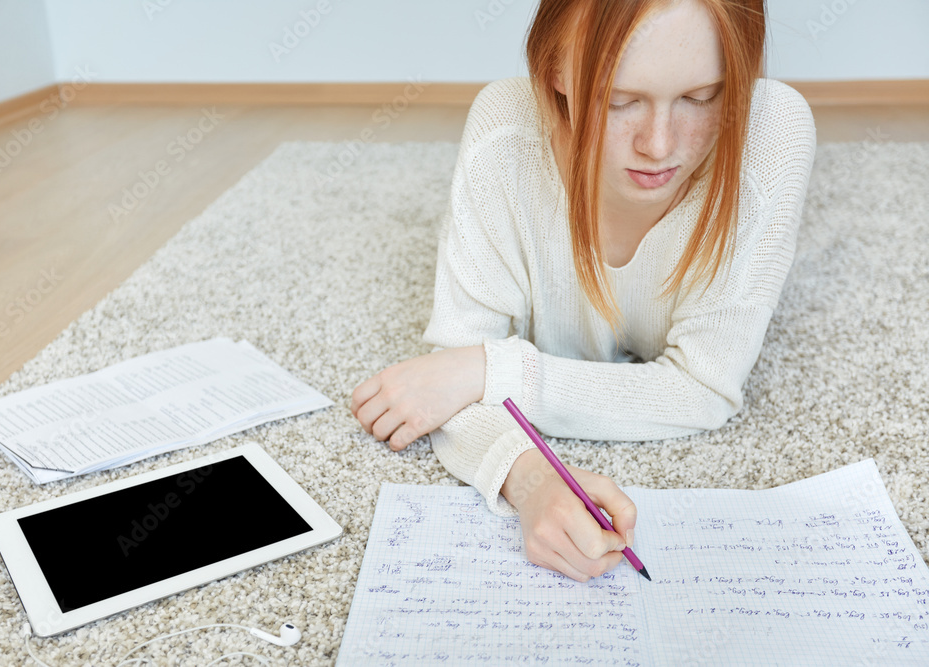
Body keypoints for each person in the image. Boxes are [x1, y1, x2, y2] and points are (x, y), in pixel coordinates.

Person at [350, 0, 816, 583]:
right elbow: (442, 384)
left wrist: (493, 371)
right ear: (554, 71)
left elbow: (702, 389)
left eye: (702, 97)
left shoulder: (771, 135)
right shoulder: (506, 132)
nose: (659, 144)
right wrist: (529, 478)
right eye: (619, 100)